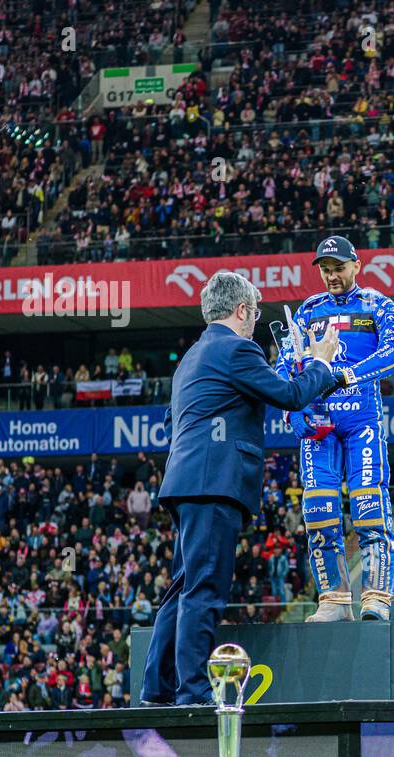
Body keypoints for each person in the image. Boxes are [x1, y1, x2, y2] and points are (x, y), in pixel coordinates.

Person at [141, 270, 341, 706]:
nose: (255, 320)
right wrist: (323, 362)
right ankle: (192, 692)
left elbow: (171, 423)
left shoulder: (193, 356)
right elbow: (289, 395)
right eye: (255, 311)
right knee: (205, 589)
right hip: (216, 483)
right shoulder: (237, 349)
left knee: (184, 585)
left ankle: (156, 688)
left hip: (186, 480)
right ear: (242, 310)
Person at [275, 235, 394, 622]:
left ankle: (377, 596)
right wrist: (291, 407)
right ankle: (333, 599)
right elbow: (285, 361)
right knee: (318, 511)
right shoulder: (308, 309)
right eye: (325, 269)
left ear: (356, 265)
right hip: (319, 425)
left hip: (361, 421)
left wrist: (345, 375)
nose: (331, 275)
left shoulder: (377, 303)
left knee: (369, 507)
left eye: (338, 268)